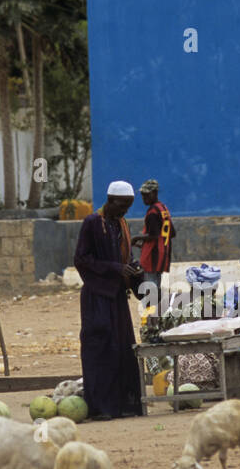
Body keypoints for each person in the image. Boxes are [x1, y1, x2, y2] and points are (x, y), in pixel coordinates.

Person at [73, 181, 144, 420]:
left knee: (122, 349)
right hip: (97, 297)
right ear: (111, 200)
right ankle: (101, 407)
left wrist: (133, 271)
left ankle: (123, 405)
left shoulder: (121, 224)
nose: (125, 211)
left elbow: (126, 257)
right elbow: (82, 259)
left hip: (117, 298)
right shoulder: (93, 223)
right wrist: (115, 268)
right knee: (100, 349)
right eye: (123, 206)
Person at [130, 178, 176, 316]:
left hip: (152, 257)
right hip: (162, 255)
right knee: (155, 285)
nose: (144, 198)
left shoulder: (152, 213)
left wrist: (136, 238)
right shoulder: (163, 209)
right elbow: (171, 233)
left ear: (155, 193)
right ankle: (159, 314)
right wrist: (144, 244)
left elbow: (153, 235)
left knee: (150, 288)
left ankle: (152, 318)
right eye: (143, 195)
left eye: (147, 194)